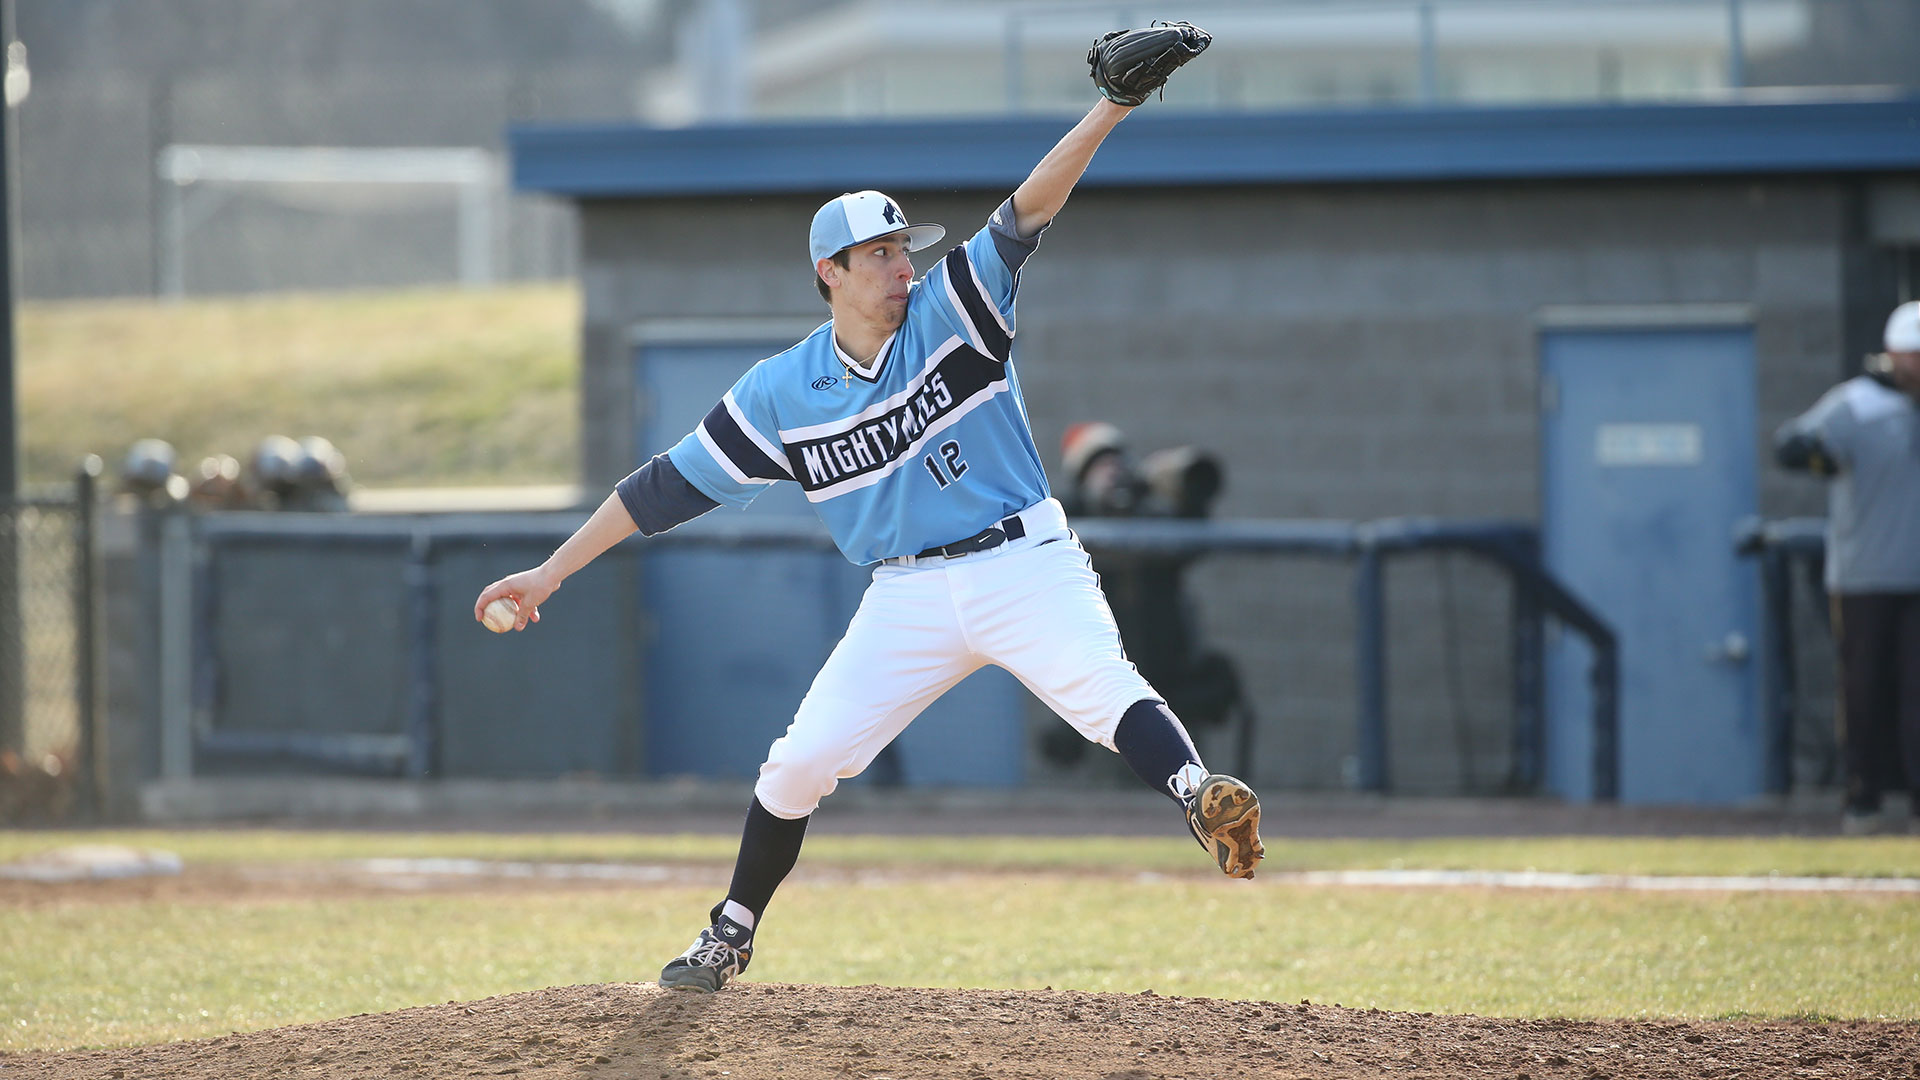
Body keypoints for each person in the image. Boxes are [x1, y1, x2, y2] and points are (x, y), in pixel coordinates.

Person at [474, 25, 1260, 994]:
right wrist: (551, 570)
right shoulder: (780, 392)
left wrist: (1114, 105)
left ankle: (1199, 793)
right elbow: (660, 489)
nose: (901, 266)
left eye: (902, 248)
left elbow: (1028, 212)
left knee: (1104, 688)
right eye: (878, 254)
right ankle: (728, 933)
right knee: (798, 763)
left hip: (1021, 561)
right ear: (829, 276)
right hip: (908, 598)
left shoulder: (952, 312)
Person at [1774, 299, 1920, 833]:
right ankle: (1865, 796)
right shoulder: (1858, 405)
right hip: (1865, 574)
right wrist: (1815, 454)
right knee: (1864, 688)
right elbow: (1794, 444)